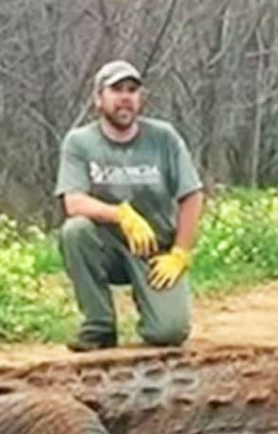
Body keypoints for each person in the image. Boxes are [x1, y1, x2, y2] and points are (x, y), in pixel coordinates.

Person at [53, 59, 205, 352]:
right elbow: (73, 201)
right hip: (107, 246)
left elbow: (192, 195)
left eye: (132, 90)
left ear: (140, 99)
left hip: (154, 251)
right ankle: (99, 326)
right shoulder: (80, 142)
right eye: (116, 89)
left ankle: (156, 314)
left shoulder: (164, 137)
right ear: (99, 99)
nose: (125, 97)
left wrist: (180, 253)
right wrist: (120, 214)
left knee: (168, 333)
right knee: (75, 231)